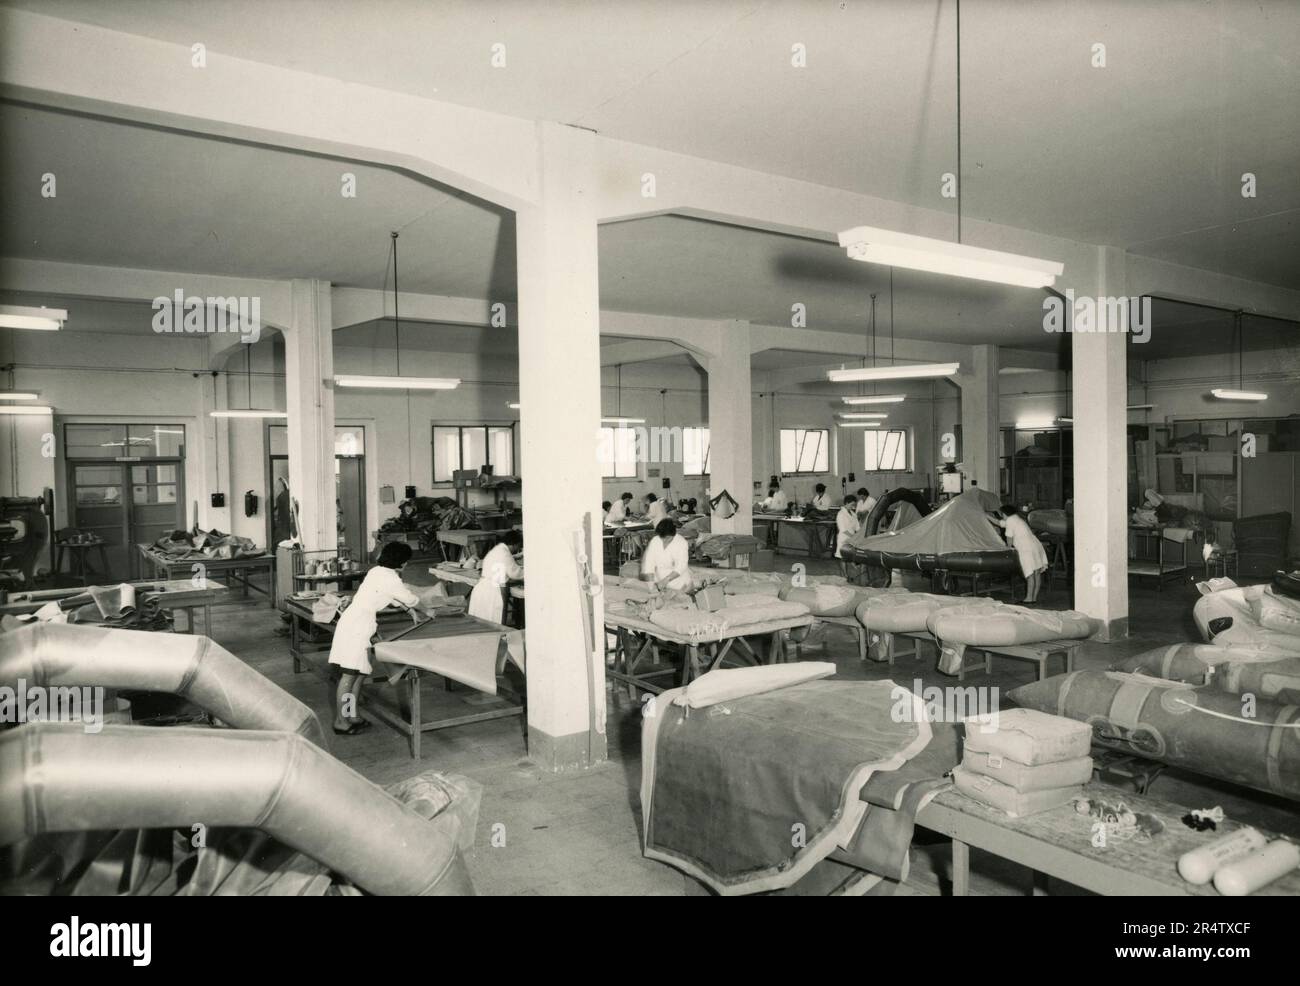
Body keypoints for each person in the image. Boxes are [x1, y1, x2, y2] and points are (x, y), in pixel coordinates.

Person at [328, 541, 425, 735]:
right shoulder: (392, 579)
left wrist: (409, 610)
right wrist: (420, 605)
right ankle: (341, 720)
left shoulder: (377, 571)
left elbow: (391, 597)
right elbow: (409, 598)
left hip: (356, 623)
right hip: (356, 628)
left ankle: (352, 715)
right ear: (402, 563)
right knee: (349, 676)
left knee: (359, 675)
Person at [996, 504, 1049, 604]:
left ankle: (1028, 599)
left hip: (1026, 548)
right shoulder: (1016, 518)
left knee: (1029, 574)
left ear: (1004, 513)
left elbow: (1009, 539)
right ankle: (1033, 598)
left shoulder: (1010, 521)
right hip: (1036, 546)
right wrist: (986, 517)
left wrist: (1007, 548)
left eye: (1001, 514)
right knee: (1036, 573)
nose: (1001, 516)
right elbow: (1001, 523)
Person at [469, 529, 523, 623]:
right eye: (519, 545)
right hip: (492, 591)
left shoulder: (497, 549)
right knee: (492, 621)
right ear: (515, 544)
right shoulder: (505, 554)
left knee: (481, 623)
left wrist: (517, 557)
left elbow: (504, 562)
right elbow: (515, 574)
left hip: (482, 587)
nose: (518, 548)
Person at [640, 518, 692, 592]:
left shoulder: (681, 542)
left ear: (673, 534)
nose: (664, 541)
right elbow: (649, 562)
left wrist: (666, 580)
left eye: (667, 538)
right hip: (658, 580)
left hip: (678, 582)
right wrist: (650, 583)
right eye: (662, 538)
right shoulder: (655, 540)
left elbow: (681, 566)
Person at [835, 494, 860, 578]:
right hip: (844, 538)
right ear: (846, 503)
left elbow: (857, 527)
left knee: (851, 556)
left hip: (852, 539)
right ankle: (845, 575)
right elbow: (843, 529)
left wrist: (859, 534)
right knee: (843, 558)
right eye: (851, 504)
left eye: (854, 505)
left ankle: (855, 571)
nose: (853, 506)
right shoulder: (841, 514)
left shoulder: (853, 514)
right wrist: (853, 536)